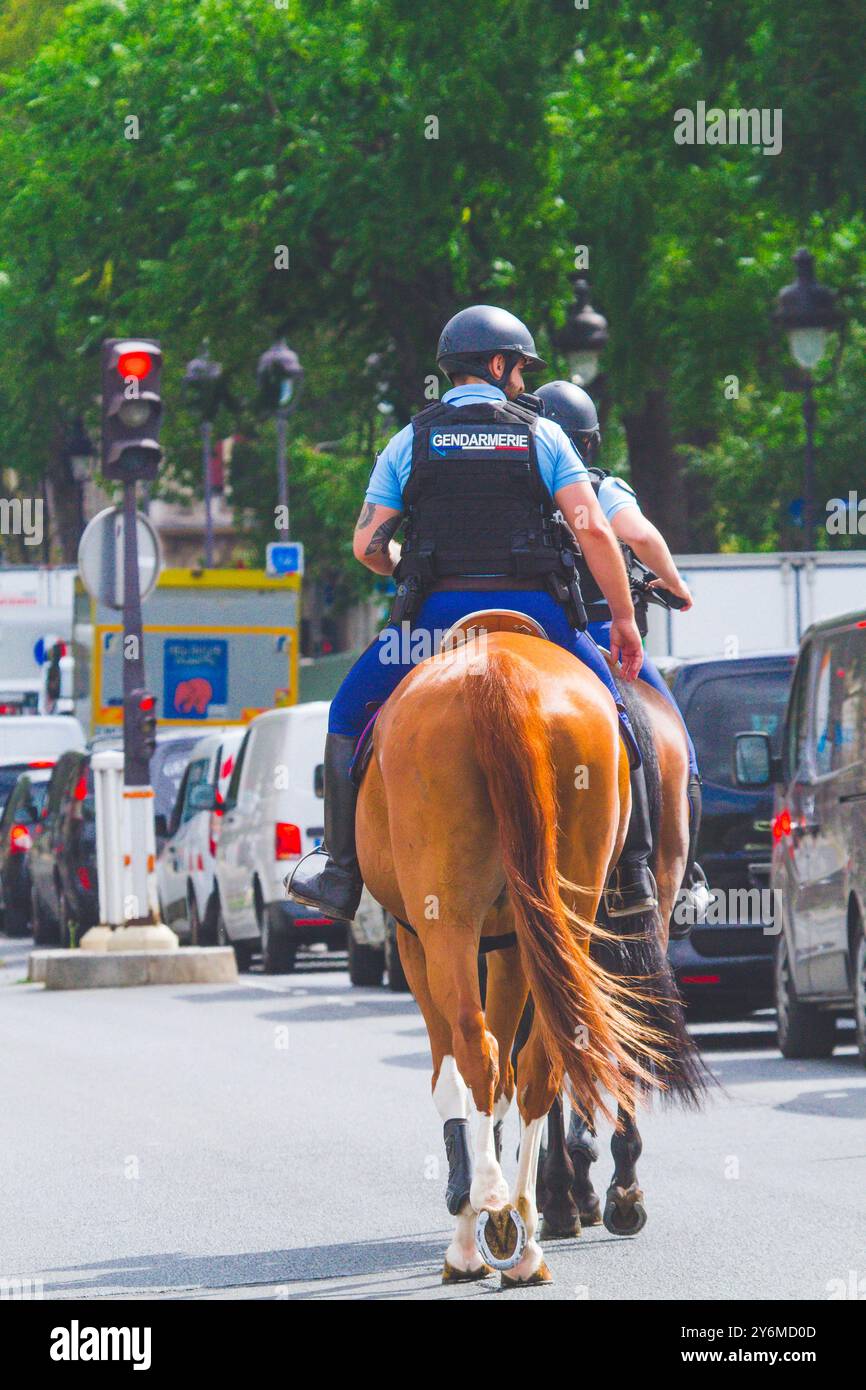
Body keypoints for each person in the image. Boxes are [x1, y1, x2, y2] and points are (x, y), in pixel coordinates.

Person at [288, 305, 657, 923]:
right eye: (518, 370)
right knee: (620, 717)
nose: (521, 383)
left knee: (347, 712)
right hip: (541, 611)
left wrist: (408, 561)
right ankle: (636, 871)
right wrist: (620, 616)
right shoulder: (543, 436)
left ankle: (342, 873)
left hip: (436, 617)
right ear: (496, 364)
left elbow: (368, 548)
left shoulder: (410, 440)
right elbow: (591, 527)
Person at [534, 379, 710, 920]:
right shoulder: (598, 486)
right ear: (589, 442)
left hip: (538, 631)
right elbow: (642, 537)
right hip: (604, 633)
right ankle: (683, 875)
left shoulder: (522, 482)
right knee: (674, 737)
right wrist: (675, 586)